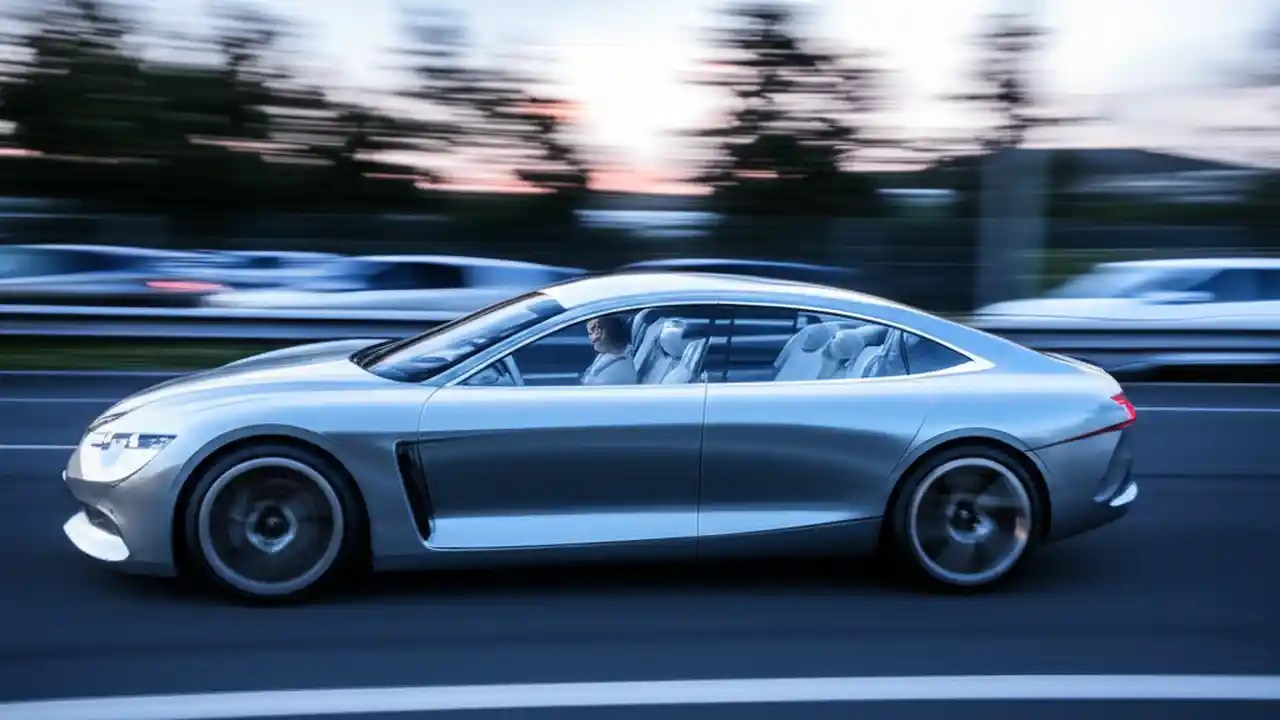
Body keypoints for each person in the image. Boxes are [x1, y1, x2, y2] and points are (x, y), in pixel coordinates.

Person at [581, 314, 638, 385]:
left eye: (593, 332)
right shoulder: (607, 355)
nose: (591, 338)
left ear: (603, 335)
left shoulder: (613, 376)